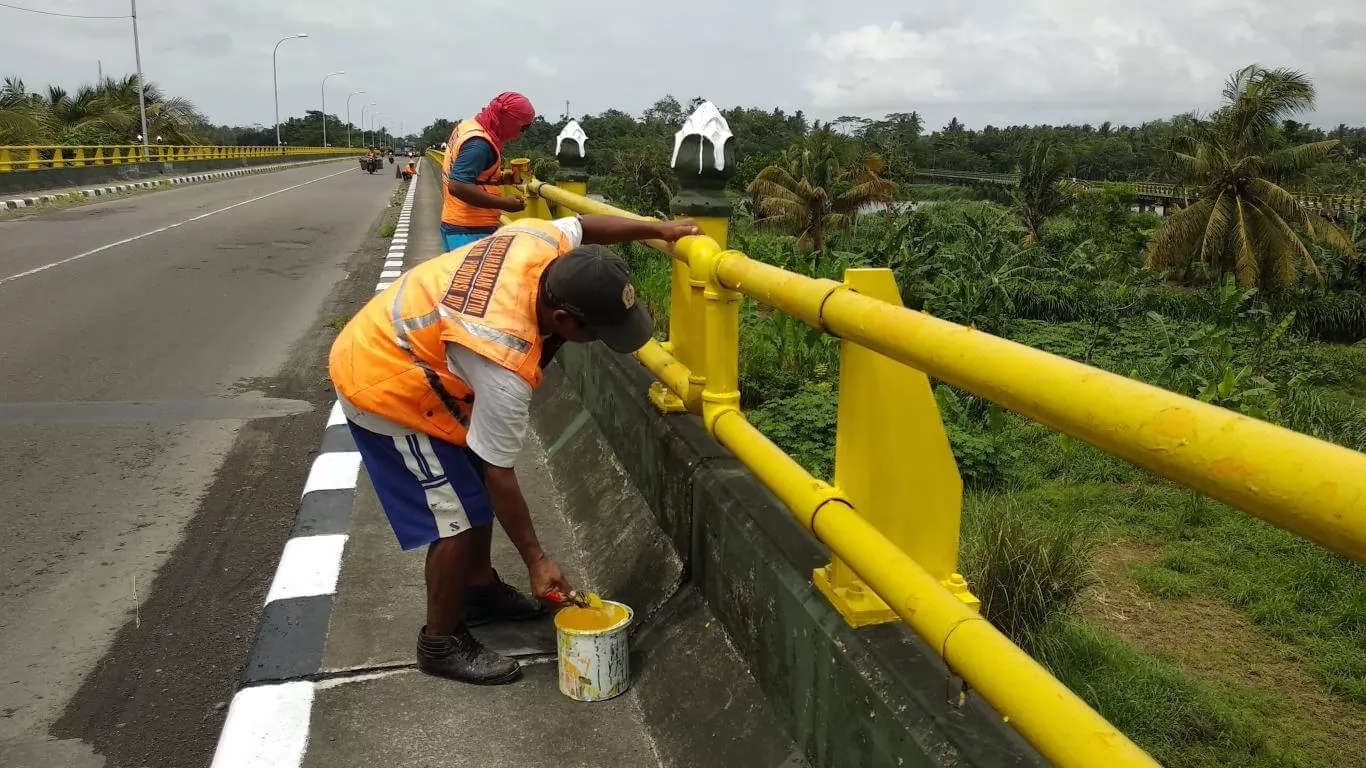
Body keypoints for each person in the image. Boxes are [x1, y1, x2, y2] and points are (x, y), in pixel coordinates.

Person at [329, 213, 699, 685]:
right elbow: (497, 471)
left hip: (424, 353)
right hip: (383, 380)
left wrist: (656, 228)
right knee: (455, 515)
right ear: (564, 320)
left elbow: (584, 223)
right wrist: (537, 560)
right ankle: (440, 642)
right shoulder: (503, 358)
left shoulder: (539, 239)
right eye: (598, 332)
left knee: (470, 493)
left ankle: (479, 592)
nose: (599, 342)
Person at [440, 92, 535, 252]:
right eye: (523, 128)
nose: (522, 133)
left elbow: (476, 176)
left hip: (456, 222)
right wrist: (505, 204)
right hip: (469, 229)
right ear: (510, 122)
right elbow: (458, 185)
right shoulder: (479, 145)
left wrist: (508, 178)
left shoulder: (469, 126)